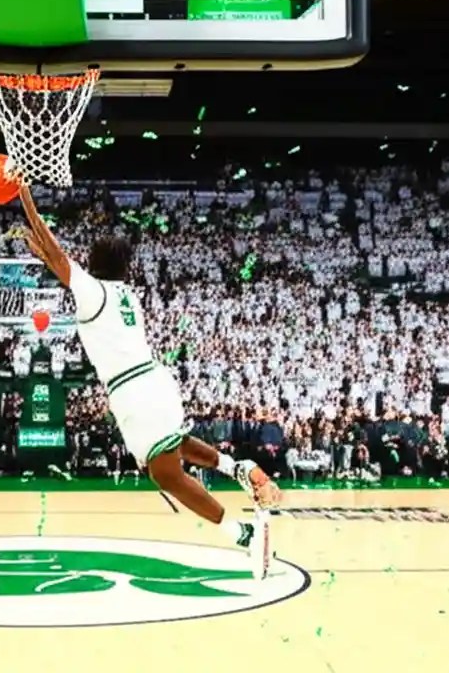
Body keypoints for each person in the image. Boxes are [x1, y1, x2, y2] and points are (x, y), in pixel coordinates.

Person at [15, 183, 281, 563]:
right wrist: (47, 255)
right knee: (174, 443)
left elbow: (54, 248)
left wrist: (23, 194)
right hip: (155, 379)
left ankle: (243, 535)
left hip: (132, 390)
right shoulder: (126, 294)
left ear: (93, 264)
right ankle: (236, 467)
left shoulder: (93, 291)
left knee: (166, 474)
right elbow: (57, 260)